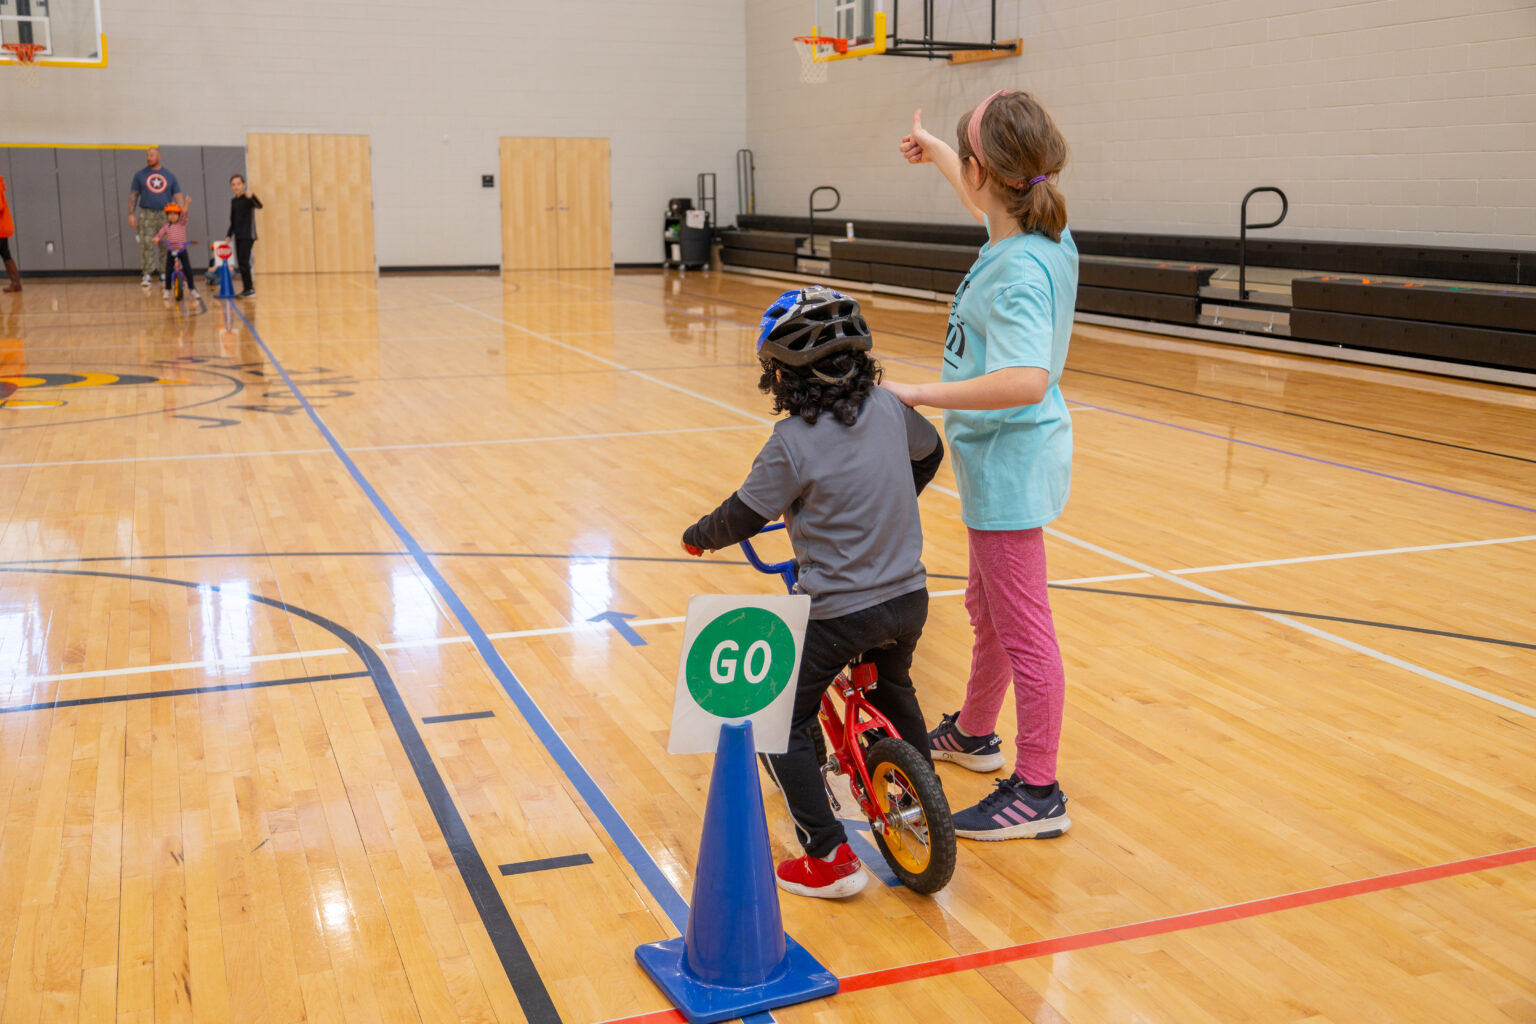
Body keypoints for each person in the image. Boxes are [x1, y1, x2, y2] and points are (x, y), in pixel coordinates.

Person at [681, 286, 945, 898]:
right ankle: (922, 795)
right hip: (909, 598)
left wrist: (698, 537)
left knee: (777, 716)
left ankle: (829, 857)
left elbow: (742, 517)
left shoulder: (791, 444)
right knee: (891, 682)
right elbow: (928, 456)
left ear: (782, 376)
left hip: (838, 613)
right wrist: (889, 496)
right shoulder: (888, 408)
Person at [886, 90, 1078, 841]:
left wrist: (916, 391)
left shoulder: (1021, 271)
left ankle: (1038, 788)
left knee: (1023, 628)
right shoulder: (1034, 231)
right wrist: (936, 147)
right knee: (987, 608)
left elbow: (1028, 376)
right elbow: (984, 207)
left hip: (1010, 461)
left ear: (984, 171)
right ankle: (974, 730)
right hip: (999, 460)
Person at [128, 147, 188, 288]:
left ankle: (163, 273)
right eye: (147, 155)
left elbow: (178, 195)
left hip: (166, 214)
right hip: (146, 213)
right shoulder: (140, 175)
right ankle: (147, 274)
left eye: (152, 155)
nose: (149, 157)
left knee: (166, 244)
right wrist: (131, 213)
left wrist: (182, 215)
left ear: (159, 156)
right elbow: (133, 195)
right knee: (146, 243)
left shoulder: (169, 176)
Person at [225, 173, 262, 298]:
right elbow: (233, 220)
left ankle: (250, 289)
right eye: (234, 185)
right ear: (231, 187)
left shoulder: (248, 198)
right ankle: (247, 288)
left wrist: (252, 197)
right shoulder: (233, 201)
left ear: (244, 185)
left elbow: (259, 206)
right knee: (241, 262)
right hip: (238, 236)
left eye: (239, 184)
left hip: (248, 235)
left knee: (244, 261)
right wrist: (229, 234)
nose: (236, 187)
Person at [153, 203, 201, 302]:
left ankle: (192, 289)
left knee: (187, 269)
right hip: (171, 250)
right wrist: (157, 238)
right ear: (167, 216)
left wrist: (187, 204)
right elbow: (160, 234)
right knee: (168, 270)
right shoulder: (166, 227)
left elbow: (185, 214)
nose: (172, 216)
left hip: (182, 250)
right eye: (170, 214)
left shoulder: (182, 223)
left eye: (175, 214)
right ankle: (167, 289)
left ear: (179, 216)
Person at [0, 171, 18, 292]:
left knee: (6, 254)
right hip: (3, 227)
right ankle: (16, 284)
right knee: (6, 254)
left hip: (1, 228)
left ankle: (16, 283)